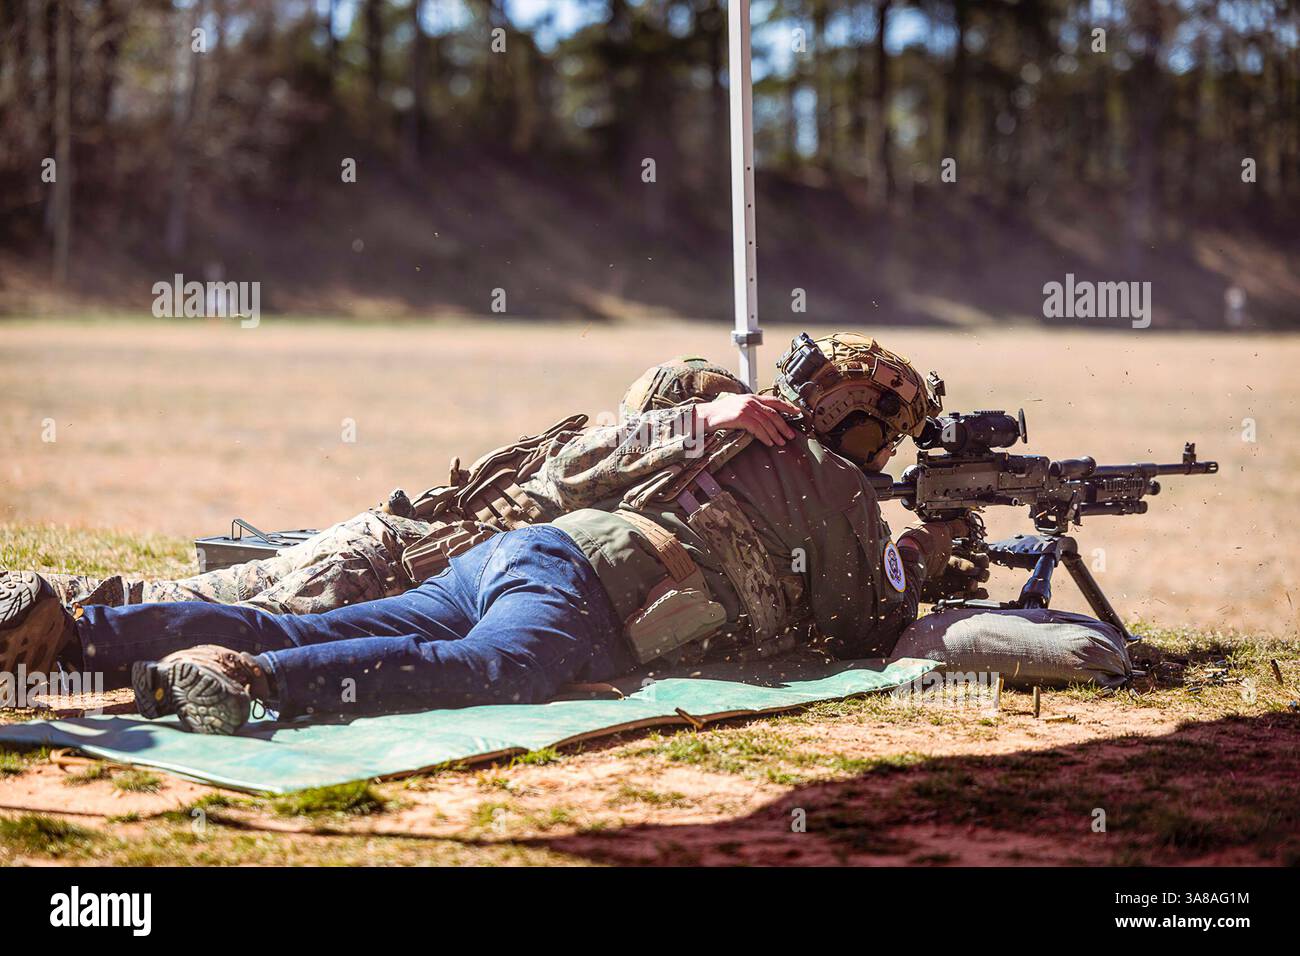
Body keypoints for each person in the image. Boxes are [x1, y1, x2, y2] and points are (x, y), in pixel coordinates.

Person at [1, 333, 970, 735]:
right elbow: (862, 626)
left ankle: (73, 642)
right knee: (486, 664)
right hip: (493, 563)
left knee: (277, 615)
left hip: (494, 557)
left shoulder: (738, 443)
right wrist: (925, 553)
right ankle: (233, 682)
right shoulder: (772, 465)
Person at [3, 358, 756, 617]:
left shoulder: (606, 470)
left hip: (376, 542)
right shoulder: (599, 463)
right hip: (381, 567)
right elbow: (604, 457)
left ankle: (32, 596)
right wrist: (708, 421)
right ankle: (39, 631)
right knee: (197, 622)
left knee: (176, 600)